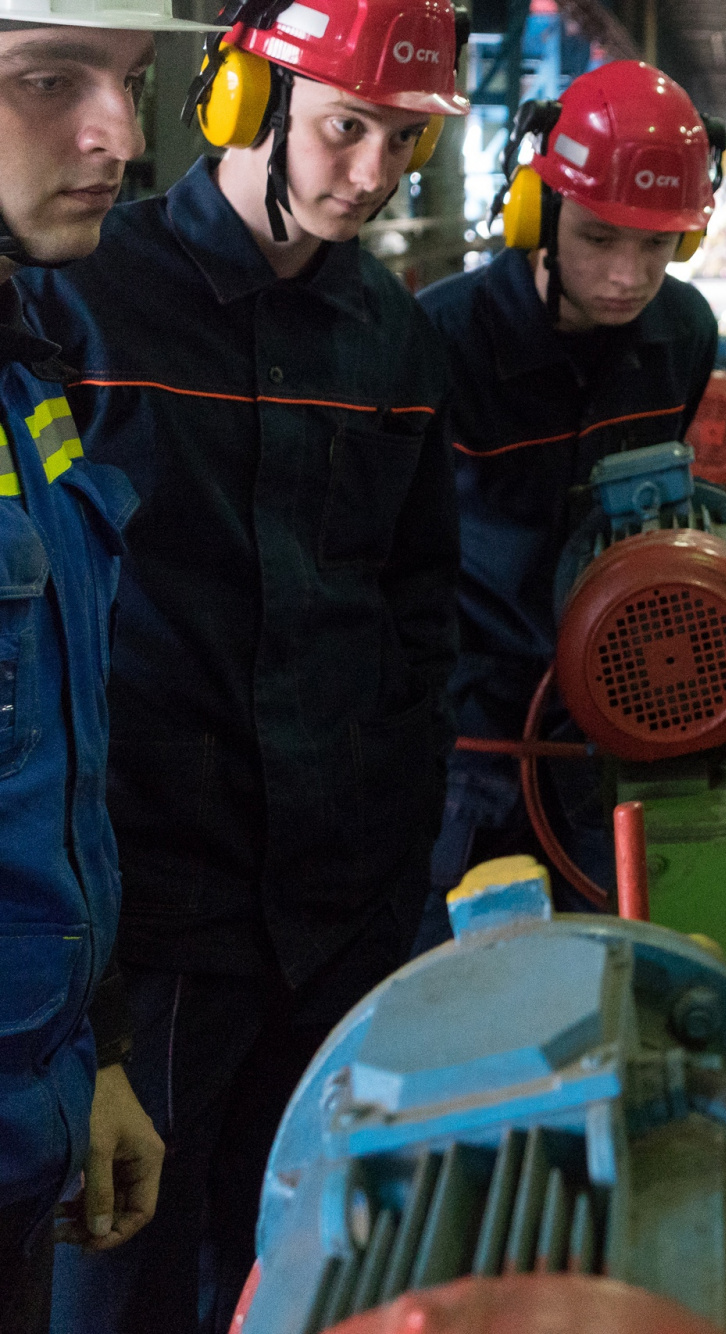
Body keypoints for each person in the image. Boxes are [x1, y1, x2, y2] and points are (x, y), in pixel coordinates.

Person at [19, 0, 466, 1326]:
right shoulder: (86, 301)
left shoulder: (396, 337)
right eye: (344, 129)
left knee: (307, 1272)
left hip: (338, 919)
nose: (371, 176)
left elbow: (418, 607)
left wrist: (401, 856)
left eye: (403, 144)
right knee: (118, 1286)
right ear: (239, 103)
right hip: (151, 927)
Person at [0, 0, 228, 1325]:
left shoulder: (30, 378)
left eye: (130, 84)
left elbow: (53, 774)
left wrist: (99, 1058)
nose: (117, 137)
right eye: (47, 81)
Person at [412, 59, 719, 945]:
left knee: (609, 971)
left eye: (655, 246)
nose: (627, 275)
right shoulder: (445, 339)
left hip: (615, 721)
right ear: (537, 213)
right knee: (455, 988)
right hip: (469, 741)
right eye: (597, 238)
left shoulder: (684, 336)